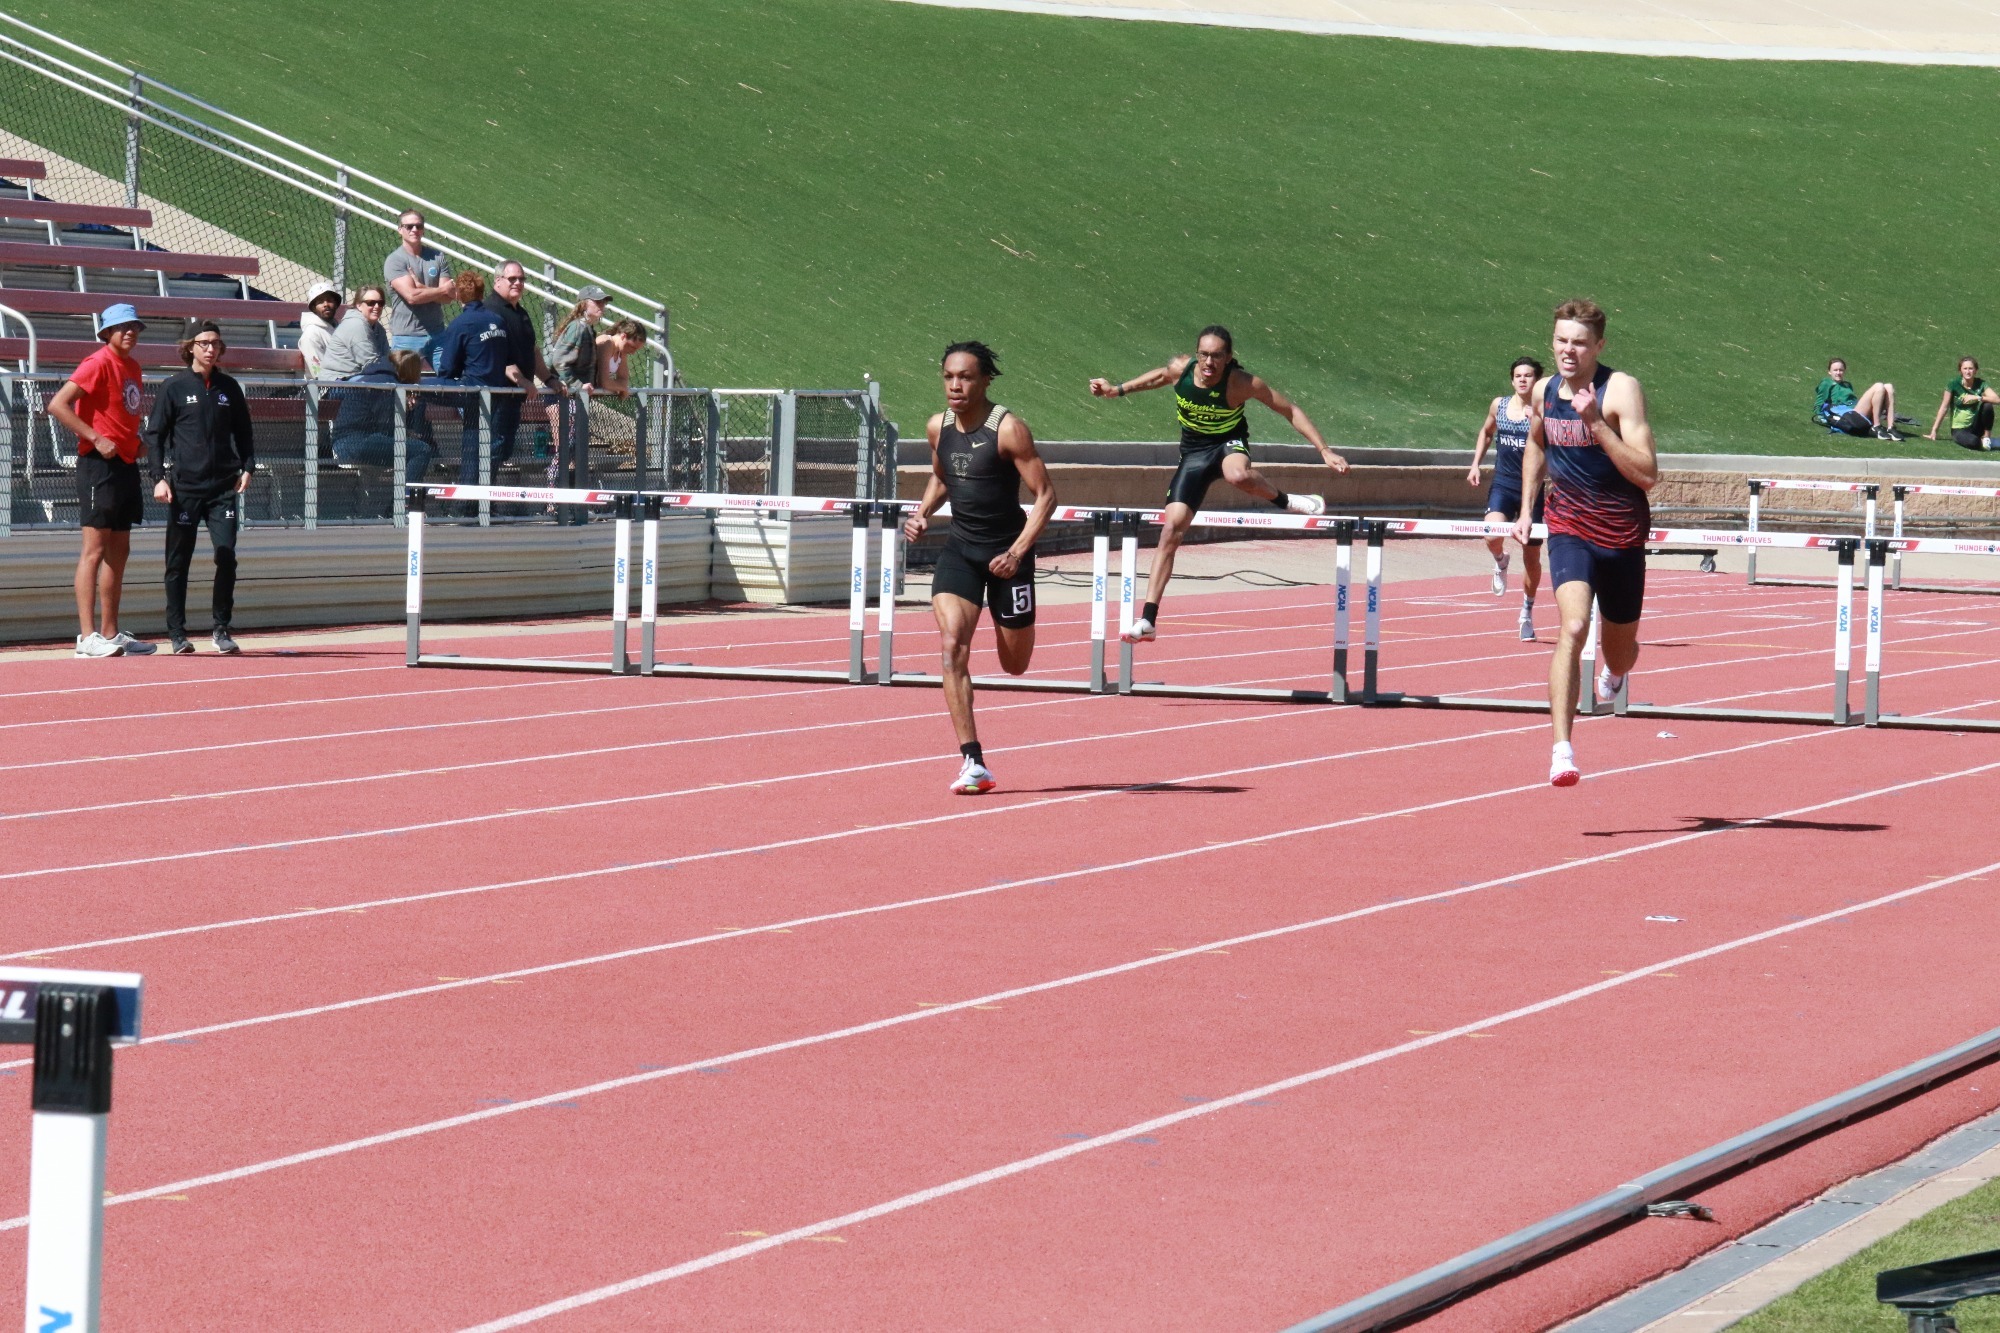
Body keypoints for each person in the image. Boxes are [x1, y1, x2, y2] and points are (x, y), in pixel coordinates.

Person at [1089, 325, 1347, 642]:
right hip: (1194, 455)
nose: (1209, 363)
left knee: (1236, 474)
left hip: (1228, 445)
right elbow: (1158, 377)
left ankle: (1285, 501)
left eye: (1217, 356)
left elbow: (1289, 409)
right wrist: (1116, 390)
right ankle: (1148, 620)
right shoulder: (1180, 370)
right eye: (1204, 355)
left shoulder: (1241, 383)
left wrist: (1324, 450)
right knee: (1171, 529)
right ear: (1196, 355)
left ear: (1228, 358)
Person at [1513, 299, 1658, 788]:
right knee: (1572, 627)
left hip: (1621, 536)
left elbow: (1648, 475)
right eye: (1560, 340)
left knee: (1619, 653)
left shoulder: (1621, 390)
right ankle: (1561, 751)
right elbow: (1537, 442)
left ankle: (1615, 677)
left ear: (1599, 345)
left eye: (1578, 341)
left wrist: (1596, 423)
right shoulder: (1544, 392)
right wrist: (1527, 510)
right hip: (1569, 526)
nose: (1568, 350)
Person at [901, 341, 1057, 795]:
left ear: (986, 379)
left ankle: (1007, 617)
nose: (955, 385)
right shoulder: (938, 427)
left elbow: (1046, 497)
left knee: (1015, 664)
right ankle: (974, 762)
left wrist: (1016, 553)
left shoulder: (1009, 430)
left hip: (1008, 558)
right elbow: (943, 475)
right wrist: (922, 512)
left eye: (966, 377)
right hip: (961, 553)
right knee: (952, 646)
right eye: (949, 376)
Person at [48, 303, 155, 658]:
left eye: (134, 327)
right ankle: (86, 637)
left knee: (119, 552)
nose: (130, 332)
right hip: (98, 465)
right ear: (107, 332)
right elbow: (58, 404)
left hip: (124, 465)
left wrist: (135, 442)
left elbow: (123, 411)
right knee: (93, 550)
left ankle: (110, 634)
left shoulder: (134, 367)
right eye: (122, 327)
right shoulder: (97, 362)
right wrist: (95, 437)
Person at [142, 321, 254, 655]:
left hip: (223, 488)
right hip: (185, 489)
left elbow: (244, 432)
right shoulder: (173, 387)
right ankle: (177, 633)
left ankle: (221, 628)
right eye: (204, 343)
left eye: (216, 344)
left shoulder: (229, 387)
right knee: (178, 561)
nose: (210, 349)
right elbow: (155, 436)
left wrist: (247, 467)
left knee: (226, 555)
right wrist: (158, 478)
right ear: (190, 346)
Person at [1467, 355, 1546, 640]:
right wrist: (1476, 464)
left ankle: (1527, 610)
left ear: (1537, 380)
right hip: (1503, 483)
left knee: (1532, 557)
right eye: (1518, 375)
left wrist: (1539, 424)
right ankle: (1500, 561)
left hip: (1533, 490)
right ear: (1512, 380)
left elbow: (1556, 449)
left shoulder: (1544, 410)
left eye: (1529, 375)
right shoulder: (1499, 405)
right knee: (1490, 533)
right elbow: (1486, 432)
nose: (1523, 379)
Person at [436, 272, 516, 485]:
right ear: (482, 293)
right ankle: (481, 504)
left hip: (472, 390)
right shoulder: (498, 321)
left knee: (417, 388)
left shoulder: (461, 323)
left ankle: (466, 505)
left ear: (458, 296)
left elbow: (447, 367)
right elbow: (507, 357)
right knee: (488, 450)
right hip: (497, 392)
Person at [482, 260, 553, 463]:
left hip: (514, 397)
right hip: (496, 395)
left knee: (503, 451)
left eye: (521, 279)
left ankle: (488, 493)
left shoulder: (521, 313)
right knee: (492, 450)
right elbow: (497, 354)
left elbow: (533, 350)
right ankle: (479, 494)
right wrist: (522, 381)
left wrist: (549, 379)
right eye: (512, 278)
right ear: (498, 281)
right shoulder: (490, 310)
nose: (518, 283)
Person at [330, 350, 435, 482]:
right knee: (421, 450)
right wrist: (404, 412)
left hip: (349, 442)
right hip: (356, 443)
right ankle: (404, 500)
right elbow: (387, 429)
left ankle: (399, 499)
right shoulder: (387, 385)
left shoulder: (378, 377)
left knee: (412, 450)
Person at [545, 286, 609, 493]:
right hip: (564, 397)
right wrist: (579, 385)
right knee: (566, 449)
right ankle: (554, 498)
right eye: (597, 302)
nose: (602, 306)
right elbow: (559, 360)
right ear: (584, 304)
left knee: (572, 450)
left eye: (603, 302)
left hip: (572, 397)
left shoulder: (587, 328)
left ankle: (566, 499)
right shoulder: (579, 327)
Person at [383, 209, 454, 368]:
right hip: (407, 336)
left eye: (418, 226)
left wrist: (421, 287)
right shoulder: (395, 260)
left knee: (447, 379)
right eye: (409, 226)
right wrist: (440, 290)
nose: (414, 230)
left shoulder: (437, 257)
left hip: (437, 334)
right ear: (400, 229)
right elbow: (412, 297)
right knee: (405, 386)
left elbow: (449, 297)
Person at [589, 317, 648, 454]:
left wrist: (620, 386)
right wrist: (621, 388)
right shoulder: (607, 343)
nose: (633, 352)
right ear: (623, 336)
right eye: (632, 346)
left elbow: (623, 380)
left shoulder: (621, 352)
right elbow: (605, 381)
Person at [317, 285, 392, 381]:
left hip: (357, 377)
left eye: (380, 303)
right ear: (358, 305)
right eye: (371, 303)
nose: (377, 306)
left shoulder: (379, 328)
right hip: (336, 381)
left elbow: (386, 358)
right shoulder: (356, 324)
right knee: (387, 379)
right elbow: (371, 363)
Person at [1816, 359, 1900, 441]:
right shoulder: (1826, 383)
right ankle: (1876, 426)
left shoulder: (1847, 385)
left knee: (1889, 387)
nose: (1838, 373)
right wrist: (1823, 418)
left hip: (1856, 413)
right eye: (1835, 370)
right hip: (1847, 415)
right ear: (1829, 372)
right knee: (1878, 386)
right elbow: (1819, 404)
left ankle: (1891, 427)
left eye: (1841, 370)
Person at [1926, 357, 1998, 452]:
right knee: (1974, 442)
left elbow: (1997, 400)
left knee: (1987, 405)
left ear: (1976, 370)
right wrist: (1934, 431)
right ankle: (1986, 441)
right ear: (1960, 370)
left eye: (1971, 368)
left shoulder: (1981, 384)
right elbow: (1944, 407)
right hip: (1959, 429)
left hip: (1975, 426)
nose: (1968, 372)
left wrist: (1978, 397)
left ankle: (1987, 438)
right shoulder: (1953, 384)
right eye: (1965, 368)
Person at [297, 279, 342, 379]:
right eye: (321, 301)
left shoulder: (339, 330)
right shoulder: (311, 334)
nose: (326, 304)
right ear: (313, 307)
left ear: (336, 304)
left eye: (330, 300)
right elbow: (319, 375)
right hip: (324, 390)